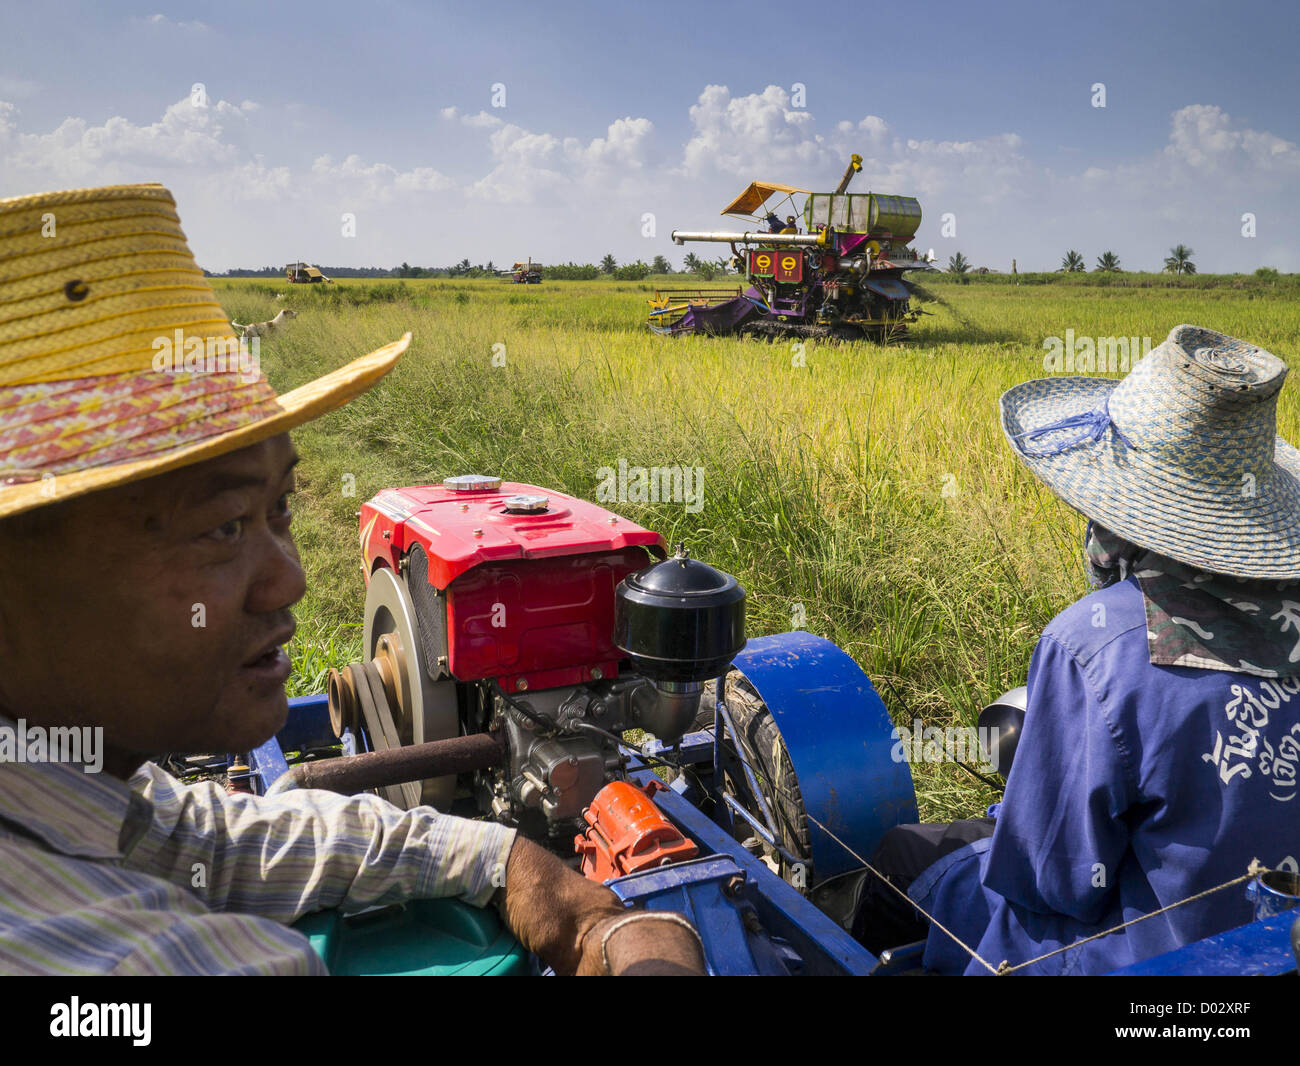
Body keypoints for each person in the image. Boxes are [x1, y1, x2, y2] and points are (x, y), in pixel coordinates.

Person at [0, 183, 706, 976]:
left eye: (281, 510)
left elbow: (202, 838)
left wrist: (507, 861)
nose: (290, 580)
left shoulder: (60, 775)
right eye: (224, 526)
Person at [854, 324, 1300, 974]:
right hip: (1271, 946)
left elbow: (1047, 881)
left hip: (1143, 963)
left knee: (900, 856)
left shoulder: (1099, 644)